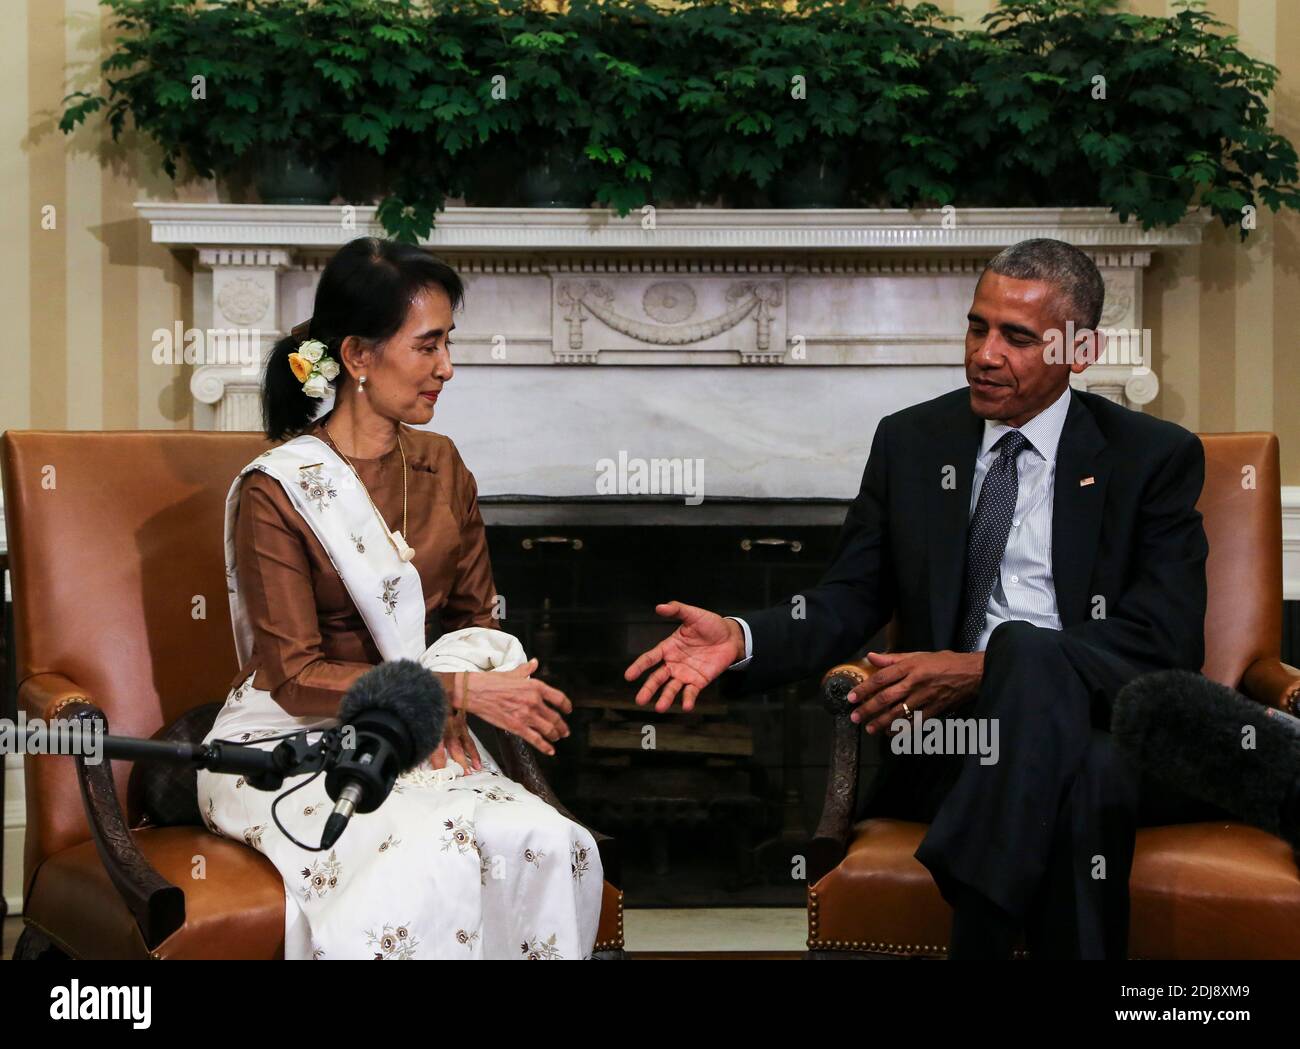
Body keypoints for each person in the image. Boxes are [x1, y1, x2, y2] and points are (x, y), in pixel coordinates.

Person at [624, 238, 1210, 960]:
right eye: (977, 326)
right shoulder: (913, 441)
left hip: (1110, 731)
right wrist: (743, 637)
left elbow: (1166, 643)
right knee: (1077, 773)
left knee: (1045, 687)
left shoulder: (1151, 457)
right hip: (958, 744)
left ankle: (979, 910)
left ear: (1081, 349)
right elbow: (847, 596)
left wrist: (984, 668)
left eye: (1016, 337)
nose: (985, 354)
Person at [197, 236, 603, 960]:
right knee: (429, 863)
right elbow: (292, 675)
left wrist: (461, 693)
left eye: (448, 343)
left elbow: (480, 618)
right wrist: (452, 691)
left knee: (547, 839)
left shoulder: (442, 464)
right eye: (428, 345)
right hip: (296, 744)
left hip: (421, 737)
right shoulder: (278, 490)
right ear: (357, 356)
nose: (447, 367)